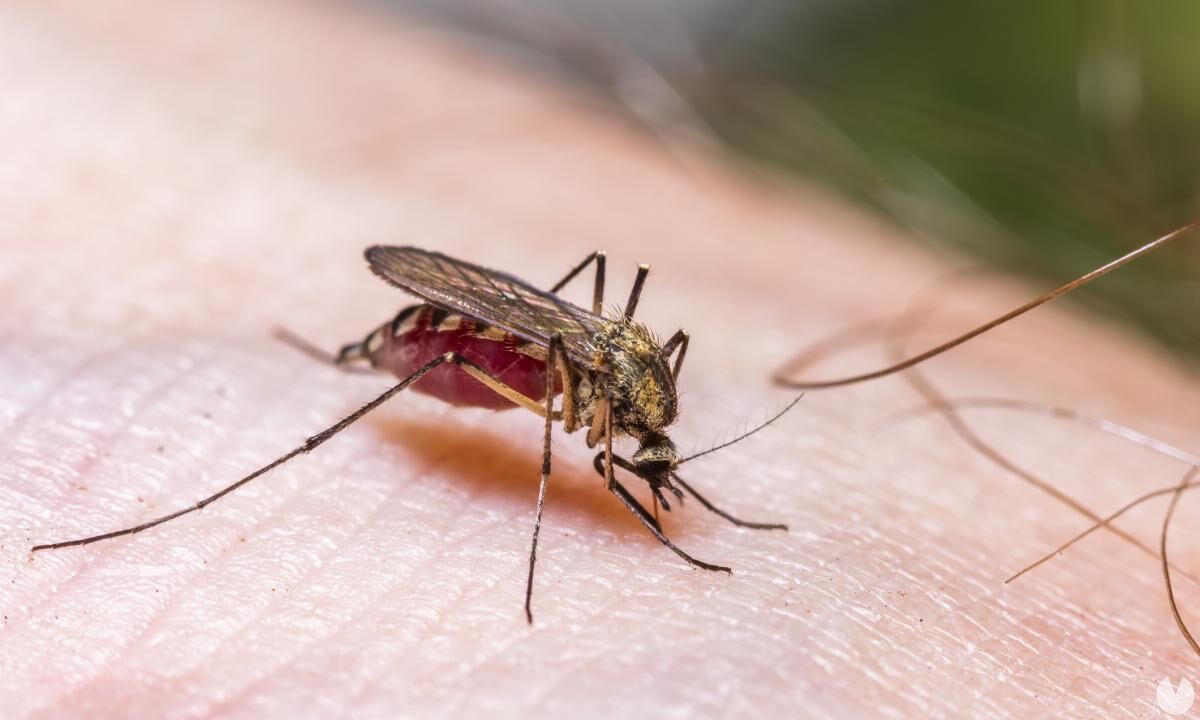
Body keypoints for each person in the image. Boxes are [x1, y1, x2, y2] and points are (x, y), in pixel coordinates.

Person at [3, 2, 1196, 717]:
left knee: (599, 325)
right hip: (468, 332)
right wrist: (550, 429)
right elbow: (584, 393)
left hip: (558, 345)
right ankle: (286, 430)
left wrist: (667, 475)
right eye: (656, 464)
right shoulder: (608, 403)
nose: (649, 472)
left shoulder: (640, 411)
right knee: (564, 351)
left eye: (657, 466)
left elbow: (631, 400)